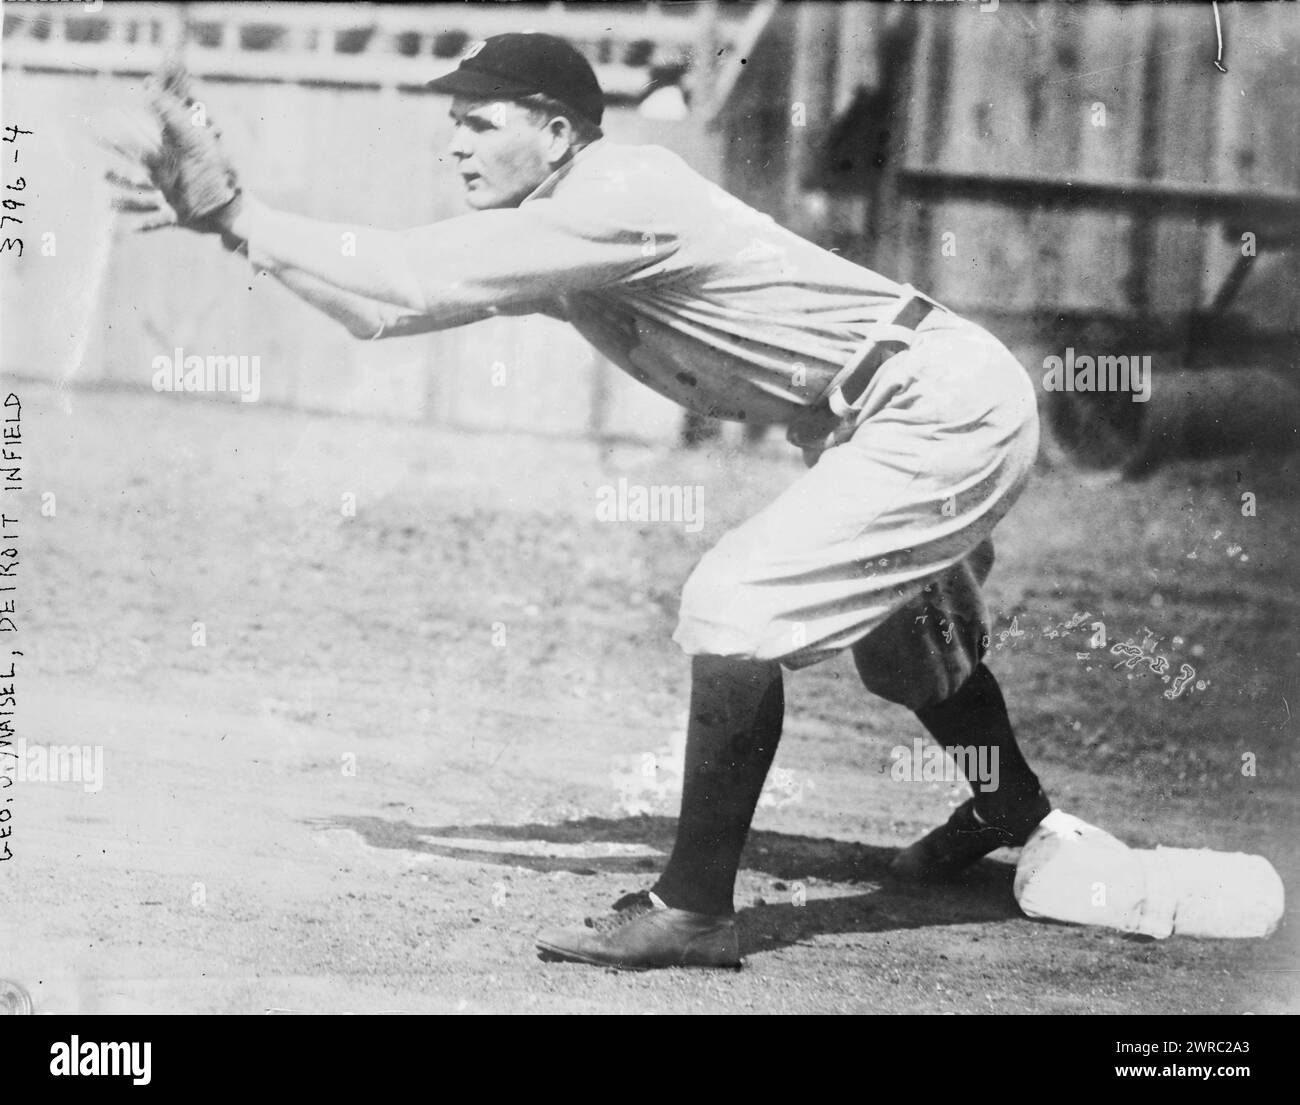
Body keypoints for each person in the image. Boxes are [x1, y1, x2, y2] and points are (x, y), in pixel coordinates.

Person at [110, 32, 1051, 970]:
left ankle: (693, 910)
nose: (457, 145)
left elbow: (406, 269)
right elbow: (384, 313)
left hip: (940, 401)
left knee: (734, 604)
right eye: (454, 124)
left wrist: (242, 207)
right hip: (889, 413)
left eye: (480, 122)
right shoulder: (565, 221)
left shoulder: (618, 194)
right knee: (910, 649)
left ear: (559, 133)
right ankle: (1010, 805)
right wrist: (233, 230)